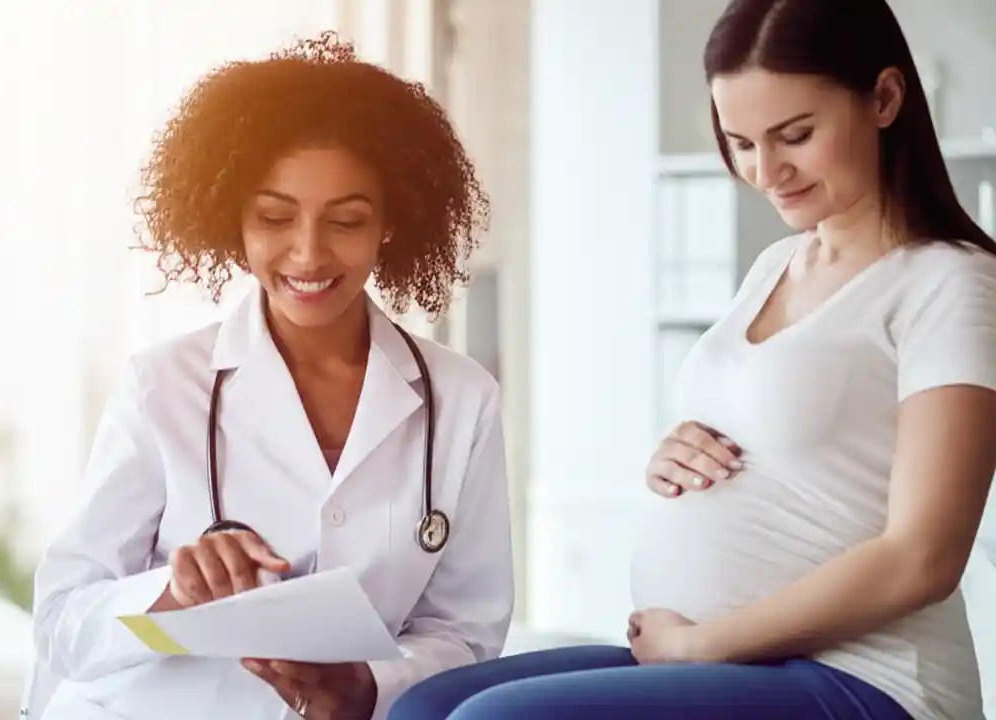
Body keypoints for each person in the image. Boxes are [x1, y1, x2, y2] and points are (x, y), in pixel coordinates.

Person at [389, 0, 996, 718]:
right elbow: (794, 439)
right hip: (733, 659)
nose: (766, 170)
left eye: (794, 135)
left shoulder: (951, 281)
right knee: (424, 706)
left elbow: (921, 558)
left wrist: (700, 646)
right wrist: (679, 456)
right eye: (739, 141)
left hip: (867, 678)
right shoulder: (776, 265)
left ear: (886, 98)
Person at [22, 32, 514, 720]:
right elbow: (60, 624)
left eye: (346, 220)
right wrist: (174, 590)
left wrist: (368, 686)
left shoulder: (459, 402)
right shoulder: (163, 386)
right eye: (275, 217)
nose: (309, 253)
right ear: (235, 219)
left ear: (390, 223)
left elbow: (466, 629)